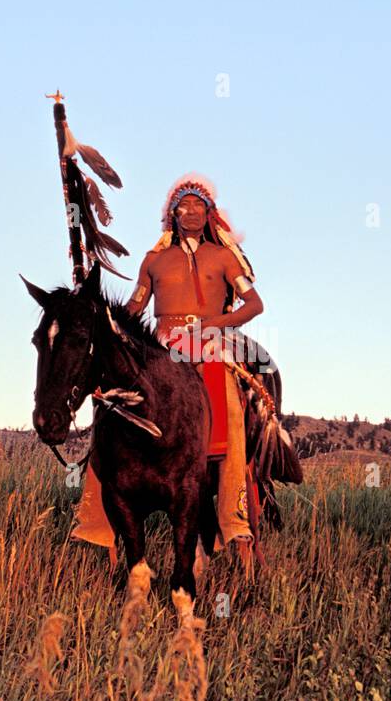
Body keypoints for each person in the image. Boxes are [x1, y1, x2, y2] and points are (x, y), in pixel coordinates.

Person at [70, 173, 263, 555]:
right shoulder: (154, 260)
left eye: (198, 206)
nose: (190, 211)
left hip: (208, 345)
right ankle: (95, 521)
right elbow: (134, 307)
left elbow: (255, 305)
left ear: (209, 214)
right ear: (172, 214)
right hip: (160, 348)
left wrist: (216, 323)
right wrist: (91, 306)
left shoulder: (224, 257)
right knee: (111, 408)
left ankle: (233, 519)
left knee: (230, 409)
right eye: (183, 205)